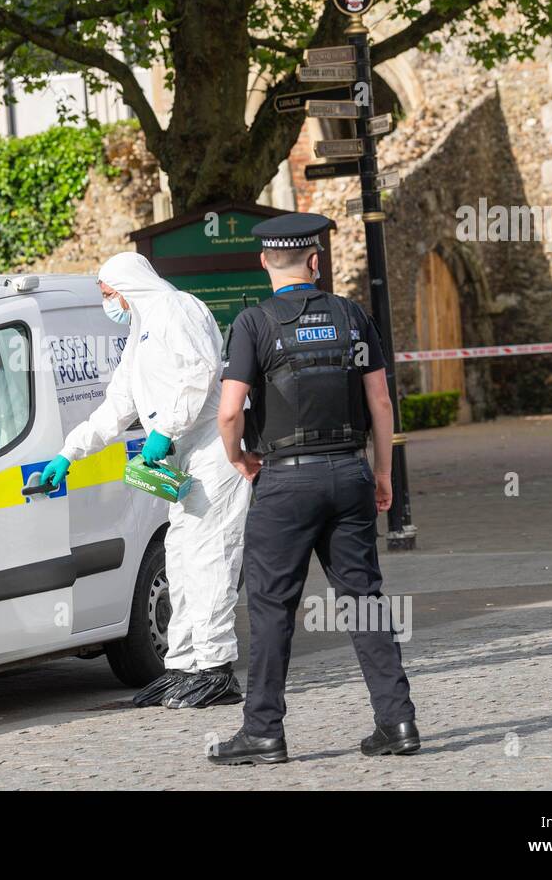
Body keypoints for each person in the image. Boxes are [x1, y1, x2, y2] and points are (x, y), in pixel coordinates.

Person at [210, 212, 419, 765]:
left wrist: (240, 459)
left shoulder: (253, 325)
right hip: (348, 473)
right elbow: (379, 403)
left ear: (264, 262)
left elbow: (229, 412)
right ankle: (397, 722)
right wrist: (380, 473)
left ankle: (263, 733)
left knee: (273, 607)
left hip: (285, 480)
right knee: (365, 600)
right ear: (315, 261)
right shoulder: (351, 317)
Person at [40, 252, 252, 709]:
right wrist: (68, 453)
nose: (107, 303)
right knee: (179, 560)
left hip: (214, 449)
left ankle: (216, 668)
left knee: (210, 558)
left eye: (107, 293)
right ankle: (183, 665)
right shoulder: (141, 329)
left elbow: (201, 371)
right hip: (184, 455)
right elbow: (116, 405)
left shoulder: (179, 309)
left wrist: (164, 431)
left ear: (128, 286)